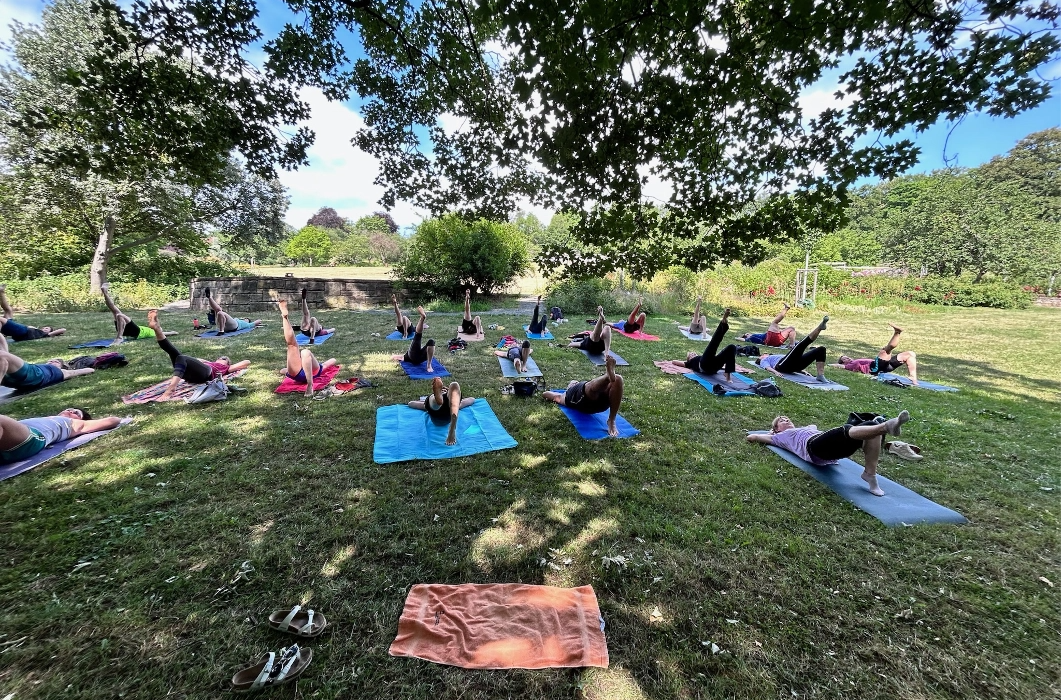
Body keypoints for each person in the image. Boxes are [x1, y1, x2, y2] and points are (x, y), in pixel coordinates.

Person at [746, 410, 911, 497]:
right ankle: (886, 426)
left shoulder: (807, 428)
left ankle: (870, 474)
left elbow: (814, 426)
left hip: (831, 450)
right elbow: (752, 437)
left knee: (870, 428)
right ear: (776, 429)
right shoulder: (779, 437)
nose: (786, 420)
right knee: (847, 429)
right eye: (781, 421)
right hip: (813, 448)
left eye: (787, 418)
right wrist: (770, 433)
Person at [147, 310, 251, 401]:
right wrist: (205, 361)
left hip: (206, 375)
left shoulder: (225, 368)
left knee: (181, 357)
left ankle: (171, 389)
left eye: (225, 359)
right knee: (174, 353)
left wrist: (230, 366)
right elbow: (195, 361)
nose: (222, 358)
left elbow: (247, 362)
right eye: (221, 357)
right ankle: (157, 329)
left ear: (227, 364)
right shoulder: (208, 363)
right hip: (189, 375)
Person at [0, 409, 123, 465]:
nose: (71, 411)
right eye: (70, 409)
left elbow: (113, 420)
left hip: (32, 439)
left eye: (76, 413)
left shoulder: (73, 424)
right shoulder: (48, 419)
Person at [543, 354, 625, 437]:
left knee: (617, 379)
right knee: (591, 387)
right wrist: (546, 394)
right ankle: (611, 420)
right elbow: (550, 395)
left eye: (574, 383)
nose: (574, 382)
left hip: (600, 402)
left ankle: (608, 377)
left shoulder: (569, 393)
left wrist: (546, 394)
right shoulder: (567, 395)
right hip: (585, 403)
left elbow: (549, 395)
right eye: (573, 383)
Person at [278, 300, 337, 398]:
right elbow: (332, 360)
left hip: (297, 374)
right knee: (301, 350)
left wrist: (286, 370)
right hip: (301, 374)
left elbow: (282, 370)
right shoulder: (320, 367)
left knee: (292, 345)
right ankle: (310, 385)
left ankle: (285, 317)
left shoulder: (321, 331)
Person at [660, 309, 737, 381]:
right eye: (691, 355)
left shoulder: (701, 357)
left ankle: (727, 374)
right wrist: (686, 361)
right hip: (705, 366)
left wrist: (689, 356)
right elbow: (674, 362)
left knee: (732, 347)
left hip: (715, 366)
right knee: (713, 344)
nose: (693, 353)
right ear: (689, 359)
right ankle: (722, 323)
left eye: (693, 353)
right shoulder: (689, 363)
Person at [0, 334, 94, 391]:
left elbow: (87, 370)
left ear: (62, 367)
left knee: (3, 355)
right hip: (12, 379)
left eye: (56, 362)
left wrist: (88, 368)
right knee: (3, 356)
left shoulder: (62, 372)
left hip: (33, 375)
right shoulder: (43, 367)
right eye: (50, 360)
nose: (52, 361)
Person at [833, 324, 919, 386]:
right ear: (843, 362)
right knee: (886, 350)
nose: (848, 358)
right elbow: (835, 365)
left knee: (910, 354)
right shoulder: (849, 366)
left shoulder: (854, 361)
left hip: (884, 366)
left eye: (847, 357)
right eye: (844, 358)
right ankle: (897, 332)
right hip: (874, 368)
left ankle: (913, 377)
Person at [755, 316, 830, 382]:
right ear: (760, 358)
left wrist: (802, 371)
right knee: (801, 345)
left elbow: (791, 359)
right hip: (782, 366)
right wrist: (776, 372)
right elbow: (767, 367)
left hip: (795, 366)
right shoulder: (764, 360)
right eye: (762, 355)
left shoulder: (772, 357)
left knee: (821, 350)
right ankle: (819, 328)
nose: (764, 354)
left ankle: (820, 375)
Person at [409, 376, 476, 446]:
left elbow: (411, 403)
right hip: (450, 412)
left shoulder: (426, 406)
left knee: (432, 404)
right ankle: (452, 430)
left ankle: (436, 399)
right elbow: (472, 399)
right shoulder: (458, 405)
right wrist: (450, 393)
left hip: (437, 415)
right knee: (454, 386)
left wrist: (425, 403)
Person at [100, 283, 174, 344]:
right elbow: (170, 332)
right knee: (114, 310)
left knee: (119, 314)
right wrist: (173, 332)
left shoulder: (156, 333)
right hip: (128, 328)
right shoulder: (153, 331)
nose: (159, 328)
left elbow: (168, 333)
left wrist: (174, 332)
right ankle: (105, 292)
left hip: (135, 332)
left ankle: (119, 337)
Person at [0, 285, 66, 341]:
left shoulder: (45, 335)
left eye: (47, 328)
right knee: (8, 310)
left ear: (50, 332)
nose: (44, 328)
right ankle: (1, 292)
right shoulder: (38, 332)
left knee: (2, 319)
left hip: (21, 330)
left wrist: (53, 333)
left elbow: (63, 330)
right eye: (44, 328)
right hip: (14, 330)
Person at [391, 306, 435, 371]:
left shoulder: (406, 357)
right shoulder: (401, 324)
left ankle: (422, 318)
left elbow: (398, 314)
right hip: (421, 357)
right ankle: (429, 365)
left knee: (418, 336)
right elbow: (399, 314)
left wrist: (394, 357)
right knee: (429, 341)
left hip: (413, 356)